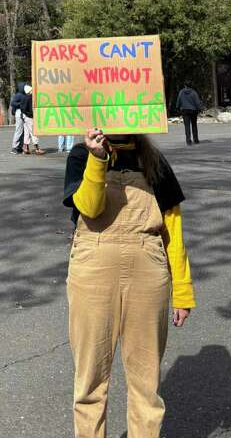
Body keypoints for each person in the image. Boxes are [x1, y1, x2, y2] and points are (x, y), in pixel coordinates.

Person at [63, 129, 195, 438]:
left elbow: (173, 231)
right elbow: (90, 208)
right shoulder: (81, 155)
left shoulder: (154, 161)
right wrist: (97, 159)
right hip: (92, 265)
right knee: (90, 378)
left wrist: (183, 291)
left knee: (146, 382)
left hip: (148, 265)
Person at [21, 82, 45, 155]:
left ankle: (25, 148)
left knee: (27, 132)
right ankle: (37, 148)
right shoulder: (30, 98)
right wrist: (31, 114)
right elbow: (27, 109)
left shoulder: (24, 97)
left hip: (25, 117)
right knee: (33, 132)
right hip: (29, 117)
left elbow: (23, 108)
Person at [10, 81, 27, 154]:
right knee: (19, 130)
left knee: (23, 131)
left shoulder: (24, 94)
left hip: (23, 113)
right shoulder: (18, 95)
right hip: (19, 113)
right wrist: (21, 104)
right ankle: (14, 147)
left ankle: (19, 147)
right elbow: (13, 103)